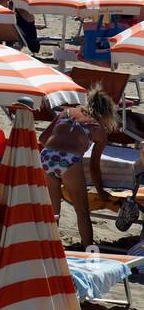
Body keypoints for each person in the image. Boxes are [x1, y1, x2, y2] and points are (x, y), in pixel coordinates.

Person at [39, 86, 116, 248]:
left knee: (53, 210)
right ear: (106, 113)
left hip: (47, 156)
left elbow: (42, 137)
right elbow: (94, 167)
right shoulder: (98, 130)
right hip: (69, 160)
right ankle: (88, 250)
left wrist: (59, 145)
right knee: (82, 212)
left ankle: (49, 249)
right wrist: (100, 191)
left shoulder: (66, 112)